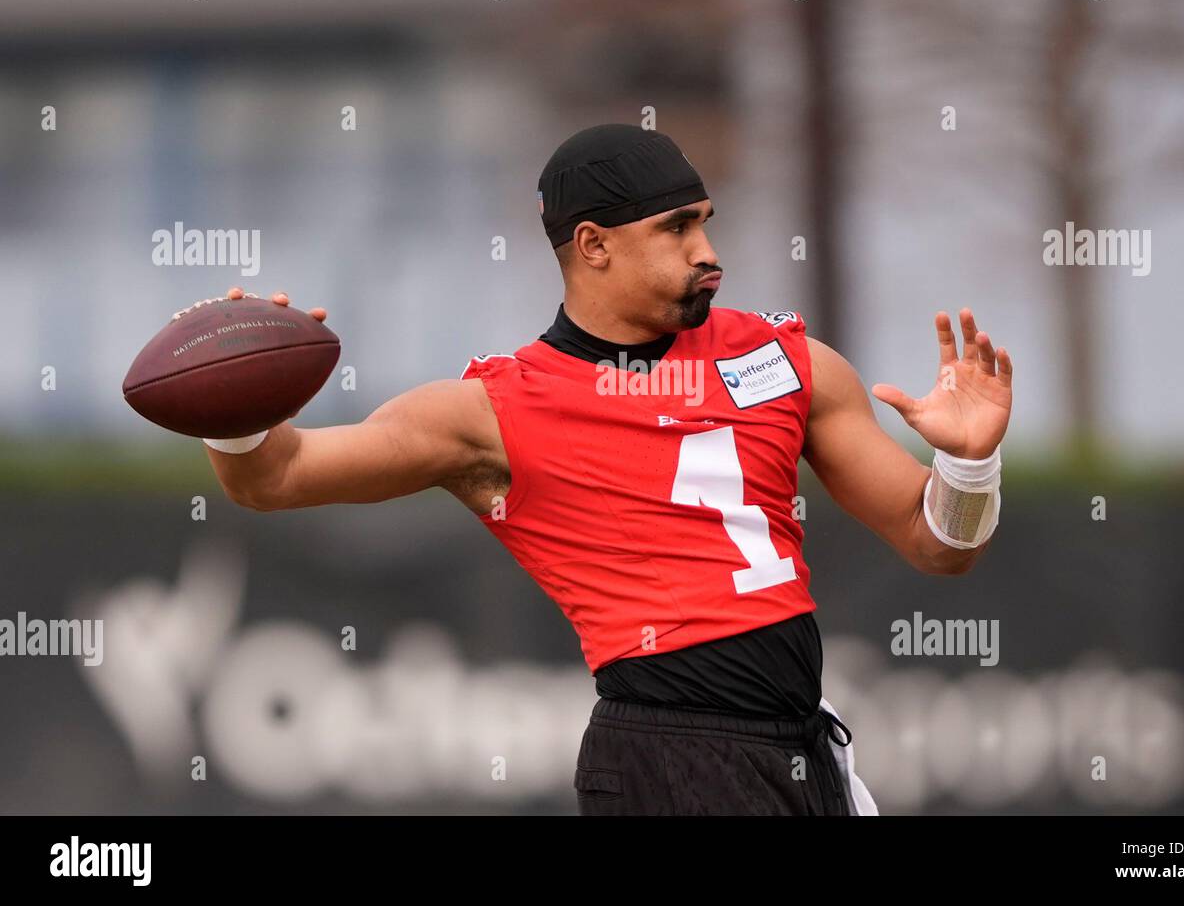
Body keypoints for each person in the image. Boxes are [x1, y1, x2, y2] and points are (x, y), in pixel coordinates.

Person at [189, 123, 1013, 815]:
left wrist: (969, 463)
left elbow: (939, 544)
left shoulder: (787, 359)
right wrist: (232, 402)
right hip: (669, 758)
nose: (708, 252)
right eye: (677, 229)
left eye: (706, 222)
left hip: (803, 745)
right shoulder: (493, 411)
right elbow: (274, 477)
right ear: (593, 245)